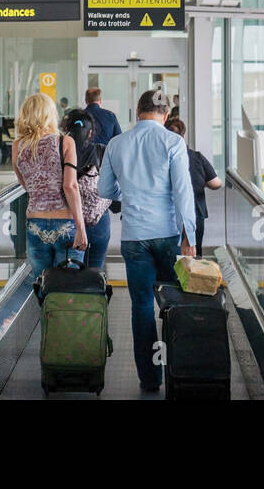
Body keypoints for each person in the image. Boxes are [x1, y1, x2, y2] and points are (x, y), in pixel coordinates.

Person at [99, 88, 195, 393]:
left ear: (137, 111)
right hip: (167, 235)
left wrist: (127, 194)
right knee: (174, 303)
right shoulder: (173, 141)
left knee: (140, 305)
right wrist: (189, 237)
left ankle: (150, 378)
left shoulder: (117, 143)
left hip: (134, 237)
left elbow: (104, 190)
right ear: (165, 115)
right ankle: (178, 371)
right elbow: (182, 192)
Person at [11, 93, 87, 276]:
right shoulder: (65, 142)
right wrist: (81, 227)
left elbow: (26, 185)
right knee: (68, 287)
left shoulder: (17, 146)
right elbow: (70, 186)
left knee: (43, 284)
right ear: (50, 114)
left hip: (35, 222)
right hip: (66, 223)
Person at [164, 118, 222, 258]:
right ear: (183, 135)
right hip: (196, 212)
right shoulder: (197, 157)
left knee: (170, 256)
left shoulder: (162, 158)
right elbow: (216, 184)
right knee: (194, 254)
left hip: (169, 215)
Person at [62, 108, 111, 270]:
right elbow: (112, 184)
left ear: (67, 130)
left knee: (70, 272)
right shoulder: (101, 151)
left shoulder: (59, 151)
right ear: (90, 133)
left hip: (68, 220)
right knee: (95, 270)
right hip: (98, 221)